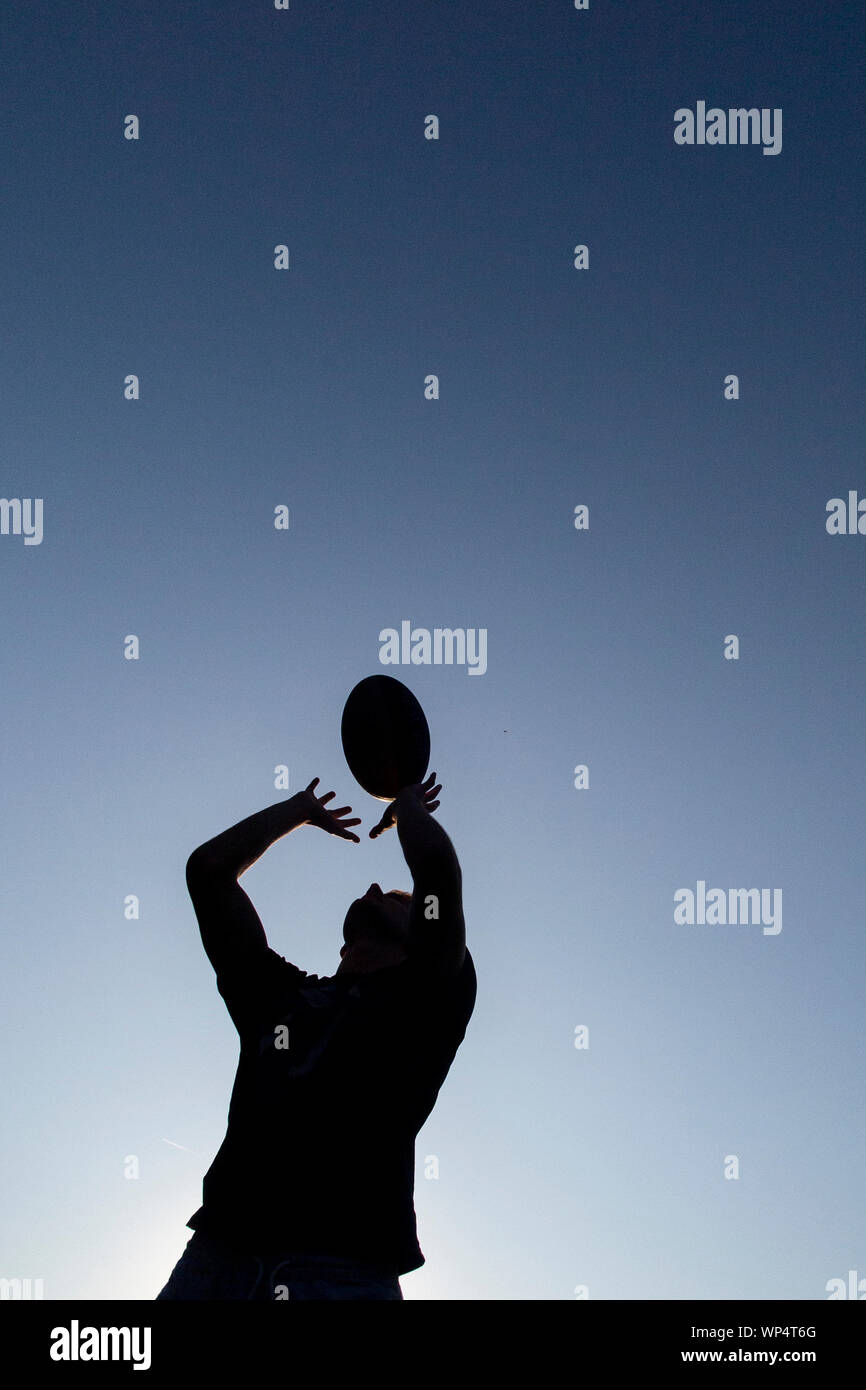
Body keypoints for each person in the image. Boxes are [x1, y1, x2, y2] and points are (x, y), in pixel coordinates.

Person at [155, 772, 476, 1300]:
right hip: (217, 1263)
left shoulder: (425, 999)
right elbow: (209, 871)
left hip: (345, 1273)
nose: (373, 889)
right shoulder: (279, 998)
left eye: (396, 898)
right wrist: (297, 810)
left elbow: (438, 876)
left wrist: (408, 806)